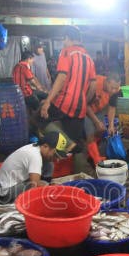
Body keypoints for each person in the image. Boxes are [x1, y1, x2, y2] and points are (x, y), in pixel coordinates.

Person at [40, 26, 96, 173]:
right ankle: (77, 178)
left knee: (40, 120)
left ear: (67, 38)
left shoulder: (67, 52)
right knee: (76, 147)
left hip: (63, 103)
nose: (63, 43)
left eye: (64, 40)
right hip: (80, 108)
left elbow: (62, 76)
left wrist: (48, 101)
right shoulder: (89, 59)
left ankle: (68, 145)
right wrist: (83, 100)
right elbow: (93, 87)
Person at [0, 131, 69, 203]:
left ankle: (45, 187)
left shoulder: (35, 148)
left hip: (15, 183)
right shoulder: (34, 156)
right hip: (5, 192)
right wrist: (50, 188)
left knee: (49, 164)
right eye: (55, 155)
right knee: (35, 187)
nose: (56, 159)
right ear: (45, 146)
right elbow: (34, 186)